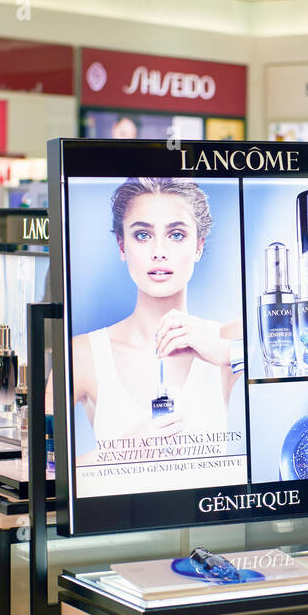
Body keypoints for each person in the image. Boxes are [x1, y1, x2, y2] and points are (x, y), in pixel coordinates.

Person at [69, 178, 242, 463]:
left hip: (211, 508)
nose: (159, 251)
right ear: (122, 245)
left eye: (176, 235)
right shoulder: (83, 354)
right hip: (119, 509)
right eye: (142, 235)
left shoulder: (227, 338)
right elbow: (38, 468)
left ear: (198, 246)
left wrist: (227, 353)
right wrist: (123, 452)